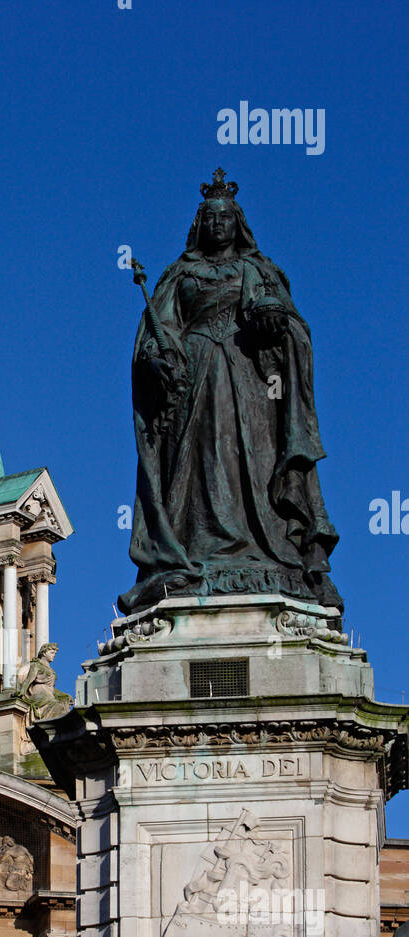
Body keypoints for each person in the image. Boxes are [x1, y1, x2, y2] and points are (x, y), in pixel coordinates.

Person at [120, 169, 341, 615]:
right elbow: (155, 331)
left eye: (224, 217)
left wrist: (277, 326)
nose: (217, 224)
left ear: (235, 222)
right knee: (195, 465)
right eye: (210, 218)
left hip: (249, 377)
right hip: (194, 377)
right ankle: (191, 551)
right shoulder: (179, 274)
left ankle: (263, 548)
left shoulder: (257, 270)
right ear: (200, 224)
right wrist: (156, 360)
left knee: (253, 463)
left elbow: (294, 327)